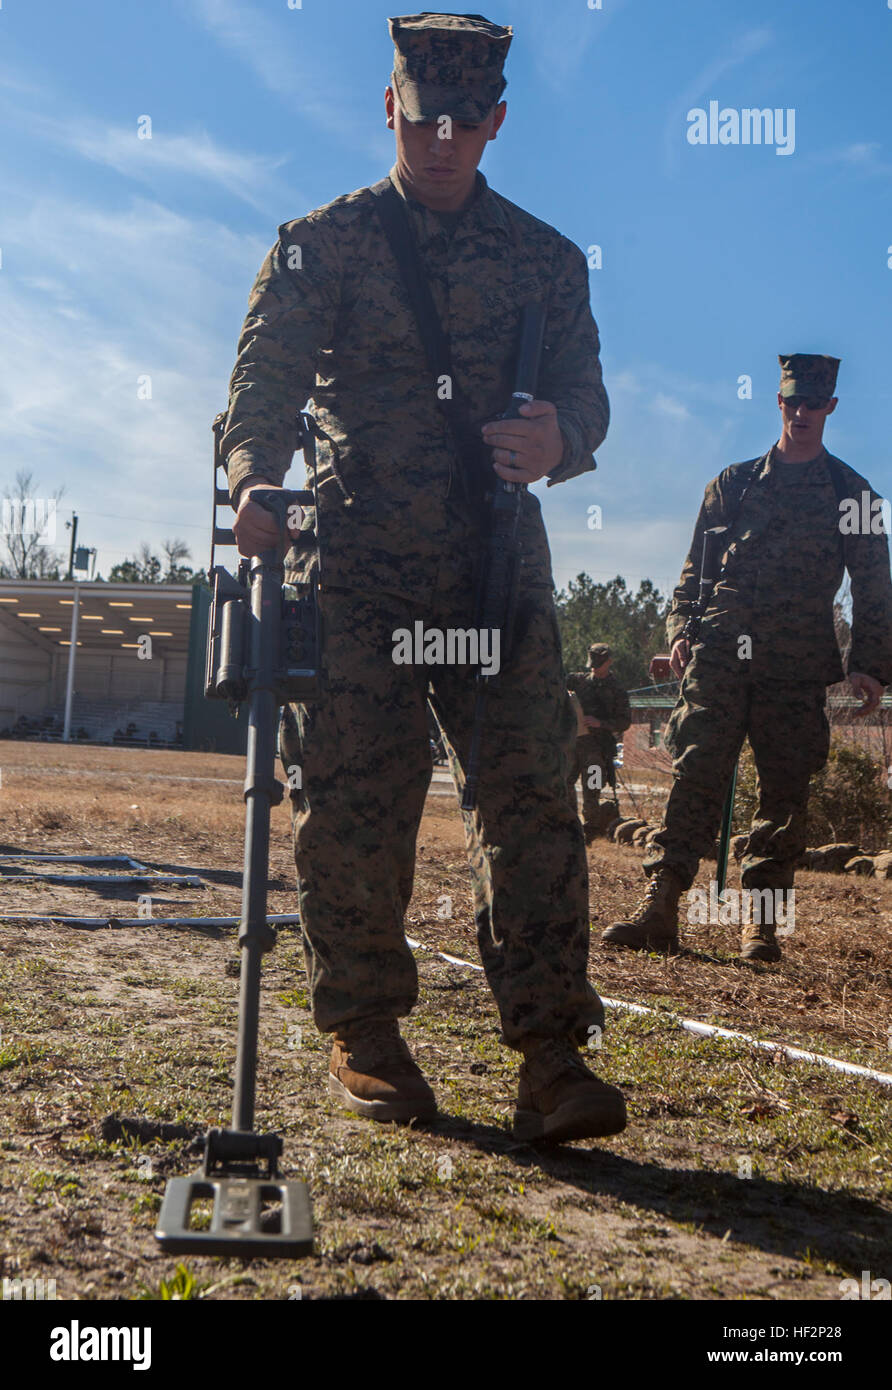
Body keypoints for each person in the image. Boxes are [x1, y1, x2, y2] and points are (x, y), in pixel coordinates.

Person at [222, 13, 625, 1143]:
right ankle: (367, 1032)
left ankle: (552, 1055)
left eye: (463, 121)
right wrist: (256, 477)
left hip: (495, 577)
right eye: (419, 117)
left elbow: (589, 398)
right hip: (359, 576)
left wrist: (563, 439)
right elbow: (263, 386)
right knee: (359, 802)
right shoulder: (323, 243)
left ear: (496, 120)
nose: (439, 139)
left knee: (533, 807)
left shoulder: (546, 259)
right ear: (386, 109)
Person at [604, 353, 892, 962]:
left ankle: (760, 925)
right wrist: (681, 628)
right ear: (778, 402)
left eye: (814, 403)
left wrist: (869, 663)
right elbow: (694, 573)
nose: (803, 412)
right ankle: (660, 907)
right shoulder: (731, 485)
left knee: (784, 794)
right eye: (793, 401)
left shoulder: (853, 494)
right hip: (719, 657)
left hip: (795, 667)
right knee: (695, 778)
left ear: (831, 407)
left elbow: (874, 587)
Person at [566, 644, 631, 841]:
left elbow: (624, 722)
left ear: (609, 662)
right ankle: (569, 825)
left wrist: (601, 723)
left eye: (599, 664)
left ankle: (591, 830)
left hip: (597, 750)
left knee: (592, 789)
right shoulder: (578, 681)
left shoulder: (617, 690)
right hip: (573, 745)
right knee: (564, 783)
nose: (594, 668)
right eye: (592, 664)